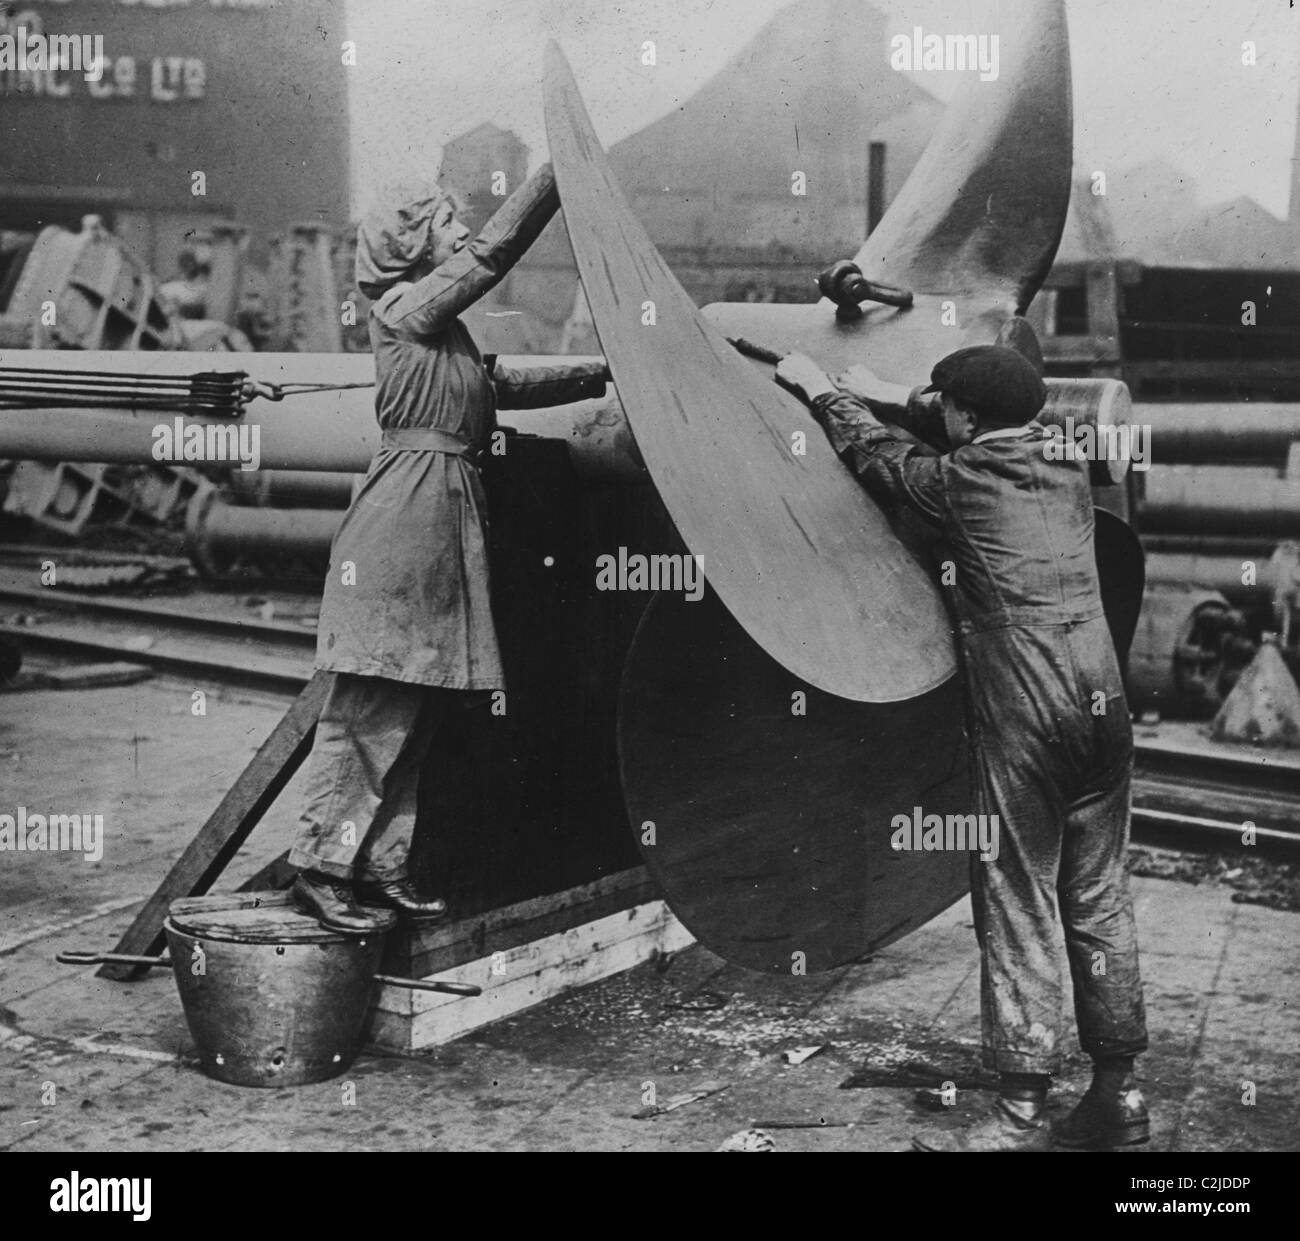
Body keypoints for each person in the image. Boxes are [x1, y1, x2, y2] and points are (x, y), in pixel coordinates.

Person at [776, 345, 1150, 1153]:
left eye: (946, 405)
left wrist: (820, 391)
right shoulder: (1065, 457)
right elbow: (964, 420)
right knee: (1099, 895)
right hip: (1104, 704)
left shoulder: (960, 481)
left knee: (1015, 896)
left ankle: (1018, 1114)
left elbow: (883, 459)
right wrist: (887, 389)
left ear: (966, 419)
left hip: (1031, 708)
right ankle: (1120, 1096)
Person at [289, 166, 607, 935]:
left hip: (442, 517)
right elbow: (491, 258)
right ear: (410, 242)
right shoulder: (404, 307)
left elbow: (512, 387)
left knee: (417, 708)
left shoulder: (448, 334)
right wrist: (552, 179)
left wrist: (606, 369)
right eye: (447, 223)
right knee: (371, 708)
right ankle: (322, 866)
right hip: (406, 521)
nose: (462, 234)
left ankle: (381, 865)